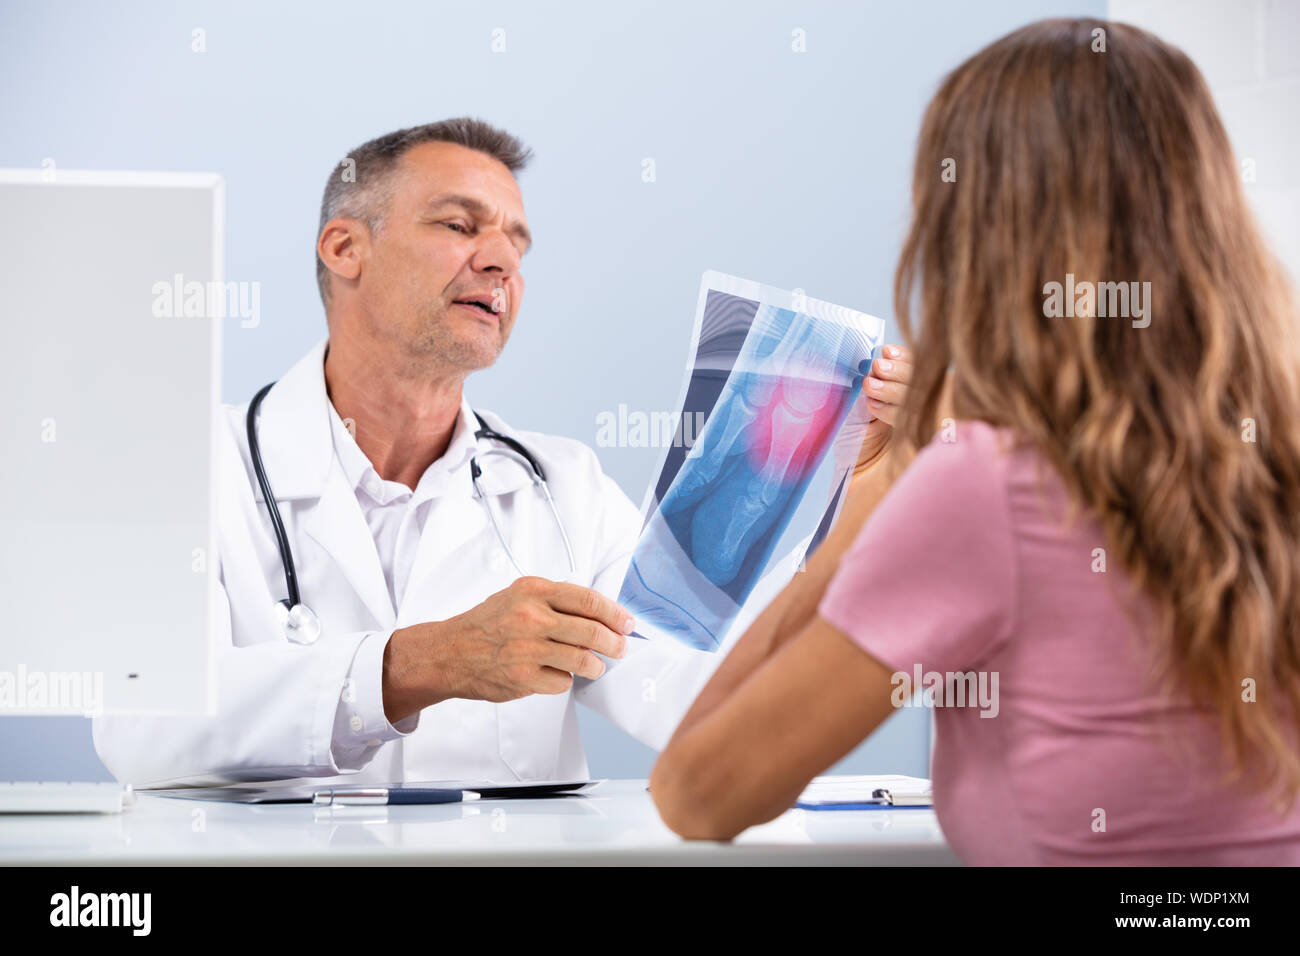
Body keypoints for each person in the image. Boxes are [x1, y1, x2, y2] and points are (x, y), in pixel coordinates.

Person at [649, 17, 1300, 865]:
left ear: (975, 228)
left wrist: (895, 476)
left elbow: (697, 792)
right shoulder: (1274, 454)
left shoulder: (991, 486)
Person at [92, 118, 911, 787]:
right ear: (345, 249)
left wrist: (860, 499)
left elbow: (705, 699)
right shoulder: (198, 464)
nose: (502, 261)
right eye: (459, 225)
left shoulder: (561, 486)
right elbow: (138, 724)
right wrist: (418, 665)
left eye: (518, 243)